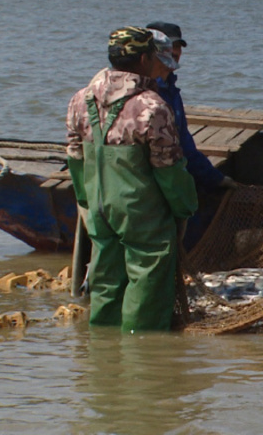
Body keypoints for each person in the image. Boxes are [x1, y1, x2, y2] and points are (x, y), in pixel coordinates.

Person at [65, 27, 198, 332]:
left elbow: (74, 158)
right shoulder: (151, 106)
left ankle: (103, 363)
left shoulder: (79, 100)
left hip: (98, 209)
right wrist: (186, 208)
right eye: (154, 55)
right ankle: (143, 364)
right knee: (147, 292)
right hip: (141, 214)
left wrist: (87, 201)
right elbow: (170, 170)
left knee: (106, 284)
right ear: (143, 59)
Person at [145, 22, 236, 250]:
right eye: (169, 47)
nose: (175, 52)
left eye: (178, 47)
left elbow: (184, 143)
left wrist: (215, 178)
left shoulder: (170, 88)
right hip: (151, 187)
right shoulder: (148, 91)